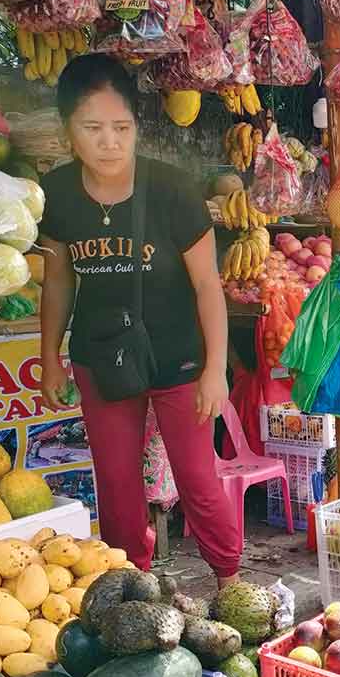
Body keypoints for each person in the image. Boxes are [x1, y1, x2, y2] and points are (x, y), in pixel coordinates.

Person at [38, 54, 241, 584]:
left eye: (121, 127)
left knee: (198, 476)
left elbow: (207, 286)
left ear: (136, 127)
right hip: (101, 355)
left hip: (180, 356)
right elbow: (58, 281)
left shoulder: (173, 189)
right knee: (116, 481)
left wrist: (215, 368)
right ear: (68, 133)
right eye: (93, 128)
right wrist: (50, 359)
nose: (109, 141)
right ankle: (131, 582)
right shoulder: (57, 194)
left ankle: (231, 580)